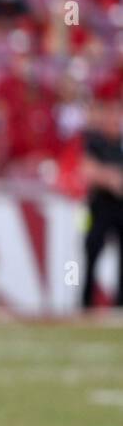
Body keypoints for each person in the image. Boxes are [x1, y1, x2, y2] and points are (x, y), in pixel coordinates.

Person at [80, 97, 123, 308]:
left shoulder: (120, 145)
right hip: (98, 208)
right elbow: (87, 170)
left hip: (120, 208)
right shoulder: (95, 142)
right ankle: (85, 302)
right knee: (92, 250)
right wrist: (110, 178)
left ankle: (120, 303)